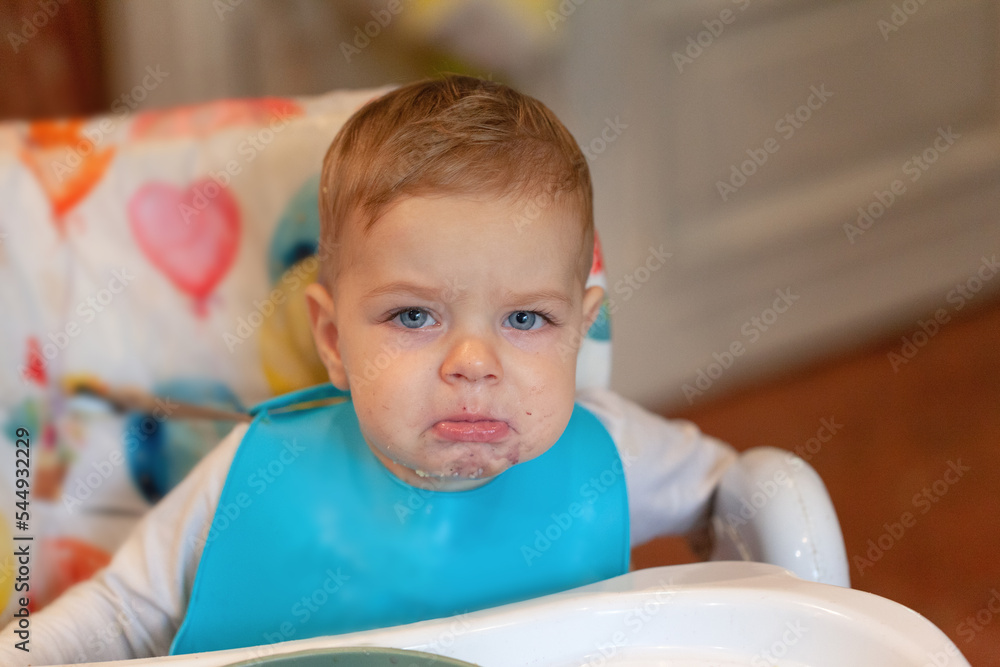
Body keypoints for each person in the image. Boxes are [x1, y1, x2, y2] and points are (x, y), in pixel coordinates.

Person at [0, 75, 735, 664]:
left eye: (525, 319)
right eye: (414, 316)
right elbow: (123, 610)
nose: (474, 364)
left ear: (580, 324)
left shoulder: (612, 454)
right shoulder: (252, 473)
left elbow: (737, 497)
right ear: (332, 337)